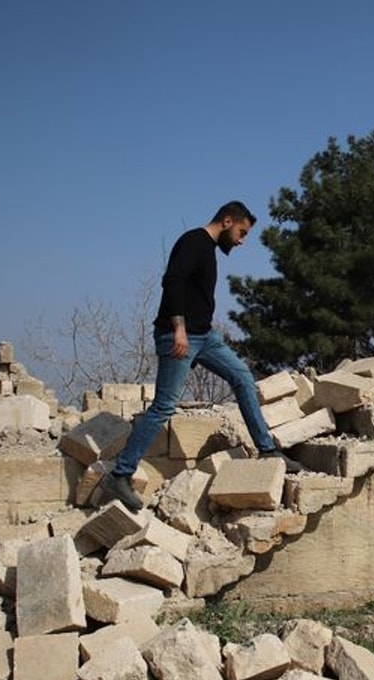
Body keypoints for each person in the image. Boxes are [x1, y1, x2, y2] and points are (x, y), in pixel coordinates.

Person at [99, 200, 300, 513]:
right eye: (242, 232)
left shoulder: (209, 249)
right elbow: (172, 281)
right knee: (164, 406)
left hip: (205, 337)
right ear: (227, 221)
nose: (242, 241)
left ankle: (268, 450)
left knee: (242, 377)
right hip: (179, 336)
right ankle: (119, 475)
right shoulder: (193, 241)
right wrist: (179, 329)